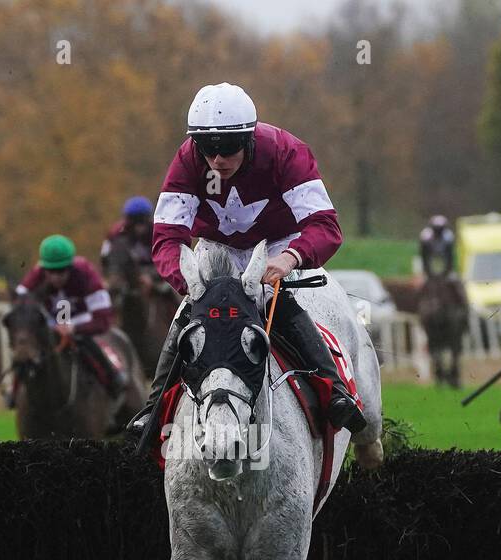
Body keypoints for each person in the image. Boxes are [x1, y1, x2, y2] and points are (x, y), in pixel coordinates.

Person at [126, 82, 365, 439]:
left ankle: (334, 391)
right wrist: (188, 282)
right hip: (216, 249)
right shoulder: (188, 159)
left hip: (277, 246)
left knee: (276, 301)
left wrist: (290, 257)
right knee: (189, 314)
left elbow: (325, 226)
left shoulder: (286, 152)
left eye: (229, 147)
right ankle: (154, 408)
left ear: (250, 139)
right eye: (208, 148)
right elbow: (167, 238)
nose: (217, 159)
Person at [13, 234, 130, 396]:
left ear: (71, 265)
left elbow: (103, 321)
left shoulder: (87, 274)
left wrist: (74, 328)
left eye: (61, 271)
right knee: (25, 353)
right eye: (51, 271)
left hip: (81, 321)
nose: (56, 277)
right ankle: (14, 392)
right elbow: (20, 309)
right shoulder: (35, 276)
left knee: (90, 345)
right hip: (49, 323)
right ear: (43, 268)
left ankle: (113, 377)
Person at [101, 196, 158, 283]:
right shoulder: (117, 235)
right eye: (136, 222)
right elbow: (106, 260)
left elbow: (167, 261)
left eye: (143, 222)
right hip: (126, 276)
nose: (140, 228)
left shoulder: (158, 233)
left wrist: (151, 275)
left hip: (156, 274)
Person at [419, 214, 457, 278]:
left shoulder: (448, 236)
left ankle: (449, 274)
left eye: (440, 229)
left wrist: (448, 270)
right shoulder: (426, 235)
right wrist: (426, 270)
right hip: (429, 256)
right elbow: (423, 254)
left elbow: (450, 255)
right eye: (436, 228)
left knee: (452, 277)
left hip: (444, 256)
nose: (438, 231)